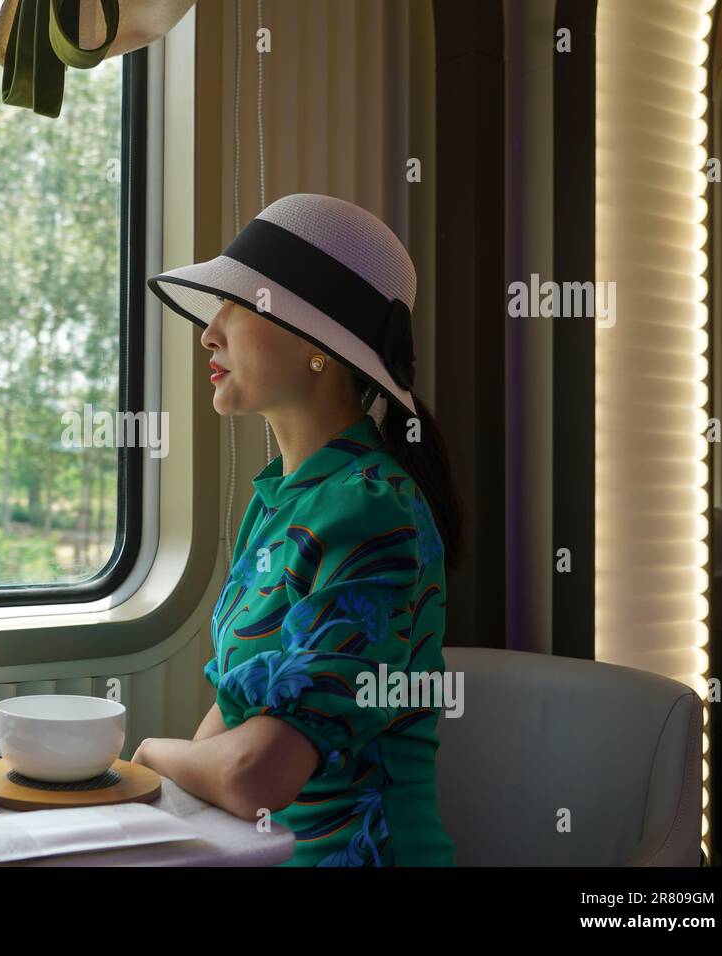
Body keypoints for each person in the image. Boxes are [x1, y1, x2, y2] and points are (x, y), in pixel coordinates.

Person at [132, 193, 463, 866]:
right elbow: (230, 722)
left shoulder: (372, 511)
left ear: (321, 348)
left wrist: (144, 756)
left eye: (239, 305)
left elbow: (257, 775)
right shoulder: (281, 502)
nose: (209, 332)